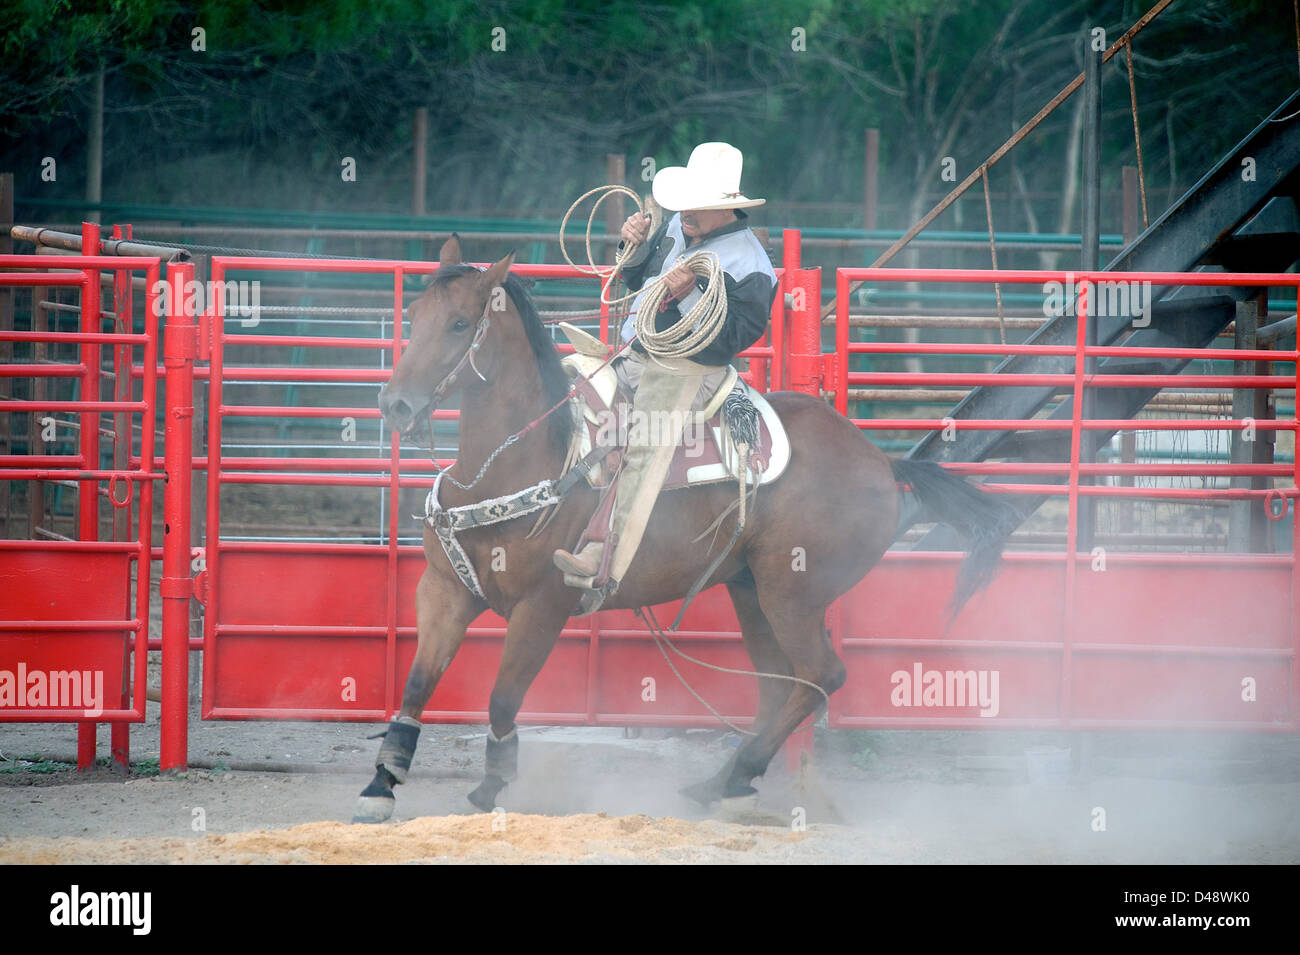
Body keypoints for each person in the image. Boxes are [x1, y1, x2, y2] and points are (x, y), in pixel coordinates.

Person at [552, 142, 778, 598]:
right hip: (635, 352)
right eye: (686, 202)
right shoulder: (677, 224)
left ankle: (602, 558)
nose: (685, 212)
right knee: (567, 388)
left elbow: (730, 342)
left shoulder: (752, 269)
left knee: (645, 444)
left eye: (698, 205)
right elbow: (637, 281)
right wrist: (632, 247)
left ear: (725, 210)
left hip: (688, 371)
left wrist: (691, 295)